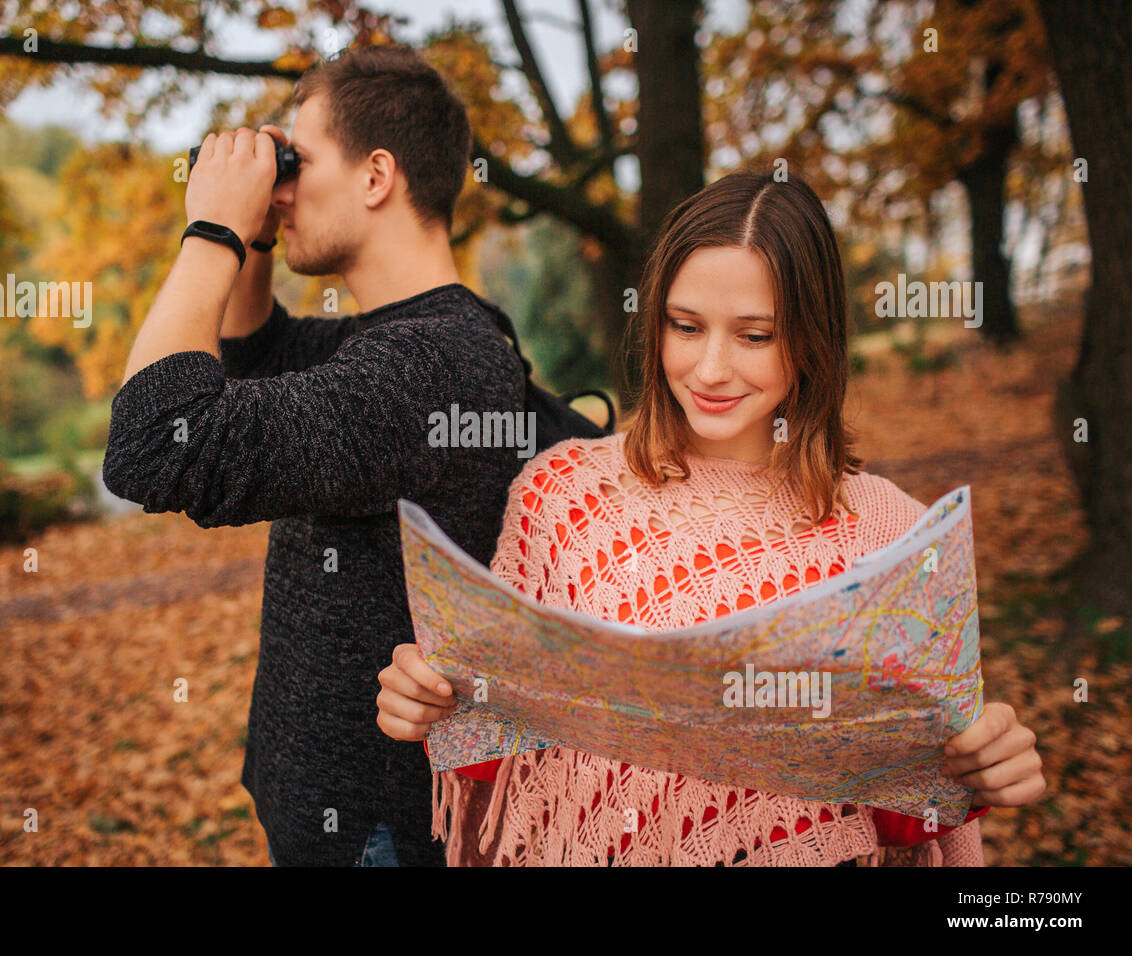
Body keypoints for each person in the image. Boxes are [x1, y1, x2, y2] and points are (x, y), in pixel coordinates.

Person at [376, 171, 1047, 866]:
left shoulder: (891, 536)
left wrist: (973, 770)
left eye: (755, 336)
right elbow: (507, 753)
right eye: (685, 327)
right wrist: (434, 703)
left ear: (812, 340)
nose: (711, 368)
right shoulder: (563, 495)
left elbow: (905, 811)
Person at [103, 45, 533, 866]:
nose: (282, 184)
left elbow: (155, 442)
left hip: (375, 833)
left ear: (377, 176)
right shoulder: (396, 341)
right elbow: (254, 353)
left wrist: (213, 227)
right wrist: (256, 235)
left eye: (295, 160)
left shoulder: (431, 364)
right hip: (323, 806)